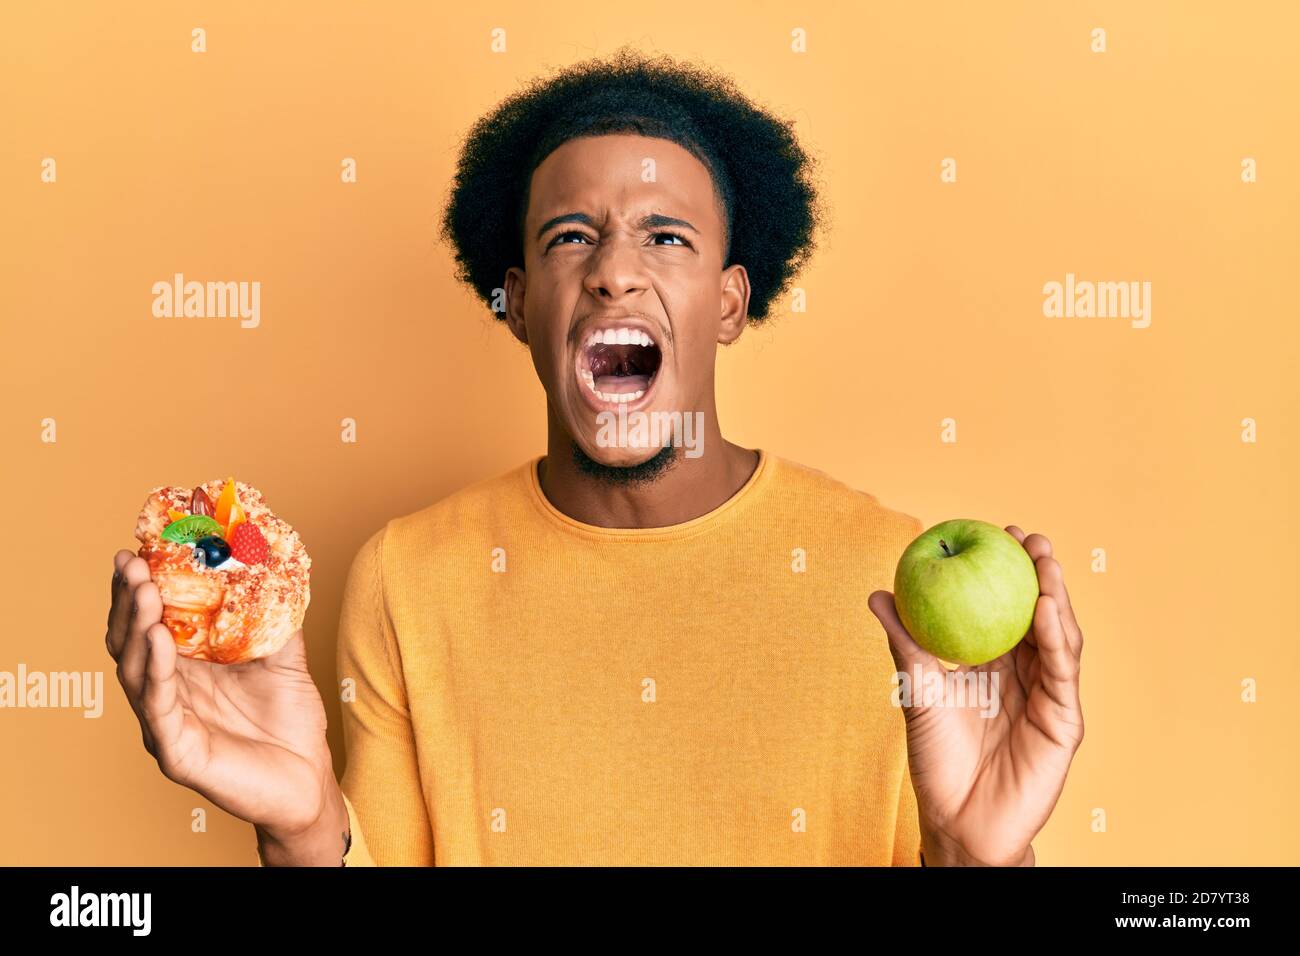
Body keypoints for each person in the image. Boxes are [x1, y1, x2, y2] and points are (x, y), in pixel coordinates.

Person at [106, 47, 1083, 866]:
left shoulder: (887, 583)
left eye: (666, 236)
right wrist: (306, 827)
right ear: (520, 302)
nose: (615, 268)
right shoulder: (407, 579)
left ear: (730, 301)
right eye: (573, 236)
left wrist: (978, 856)